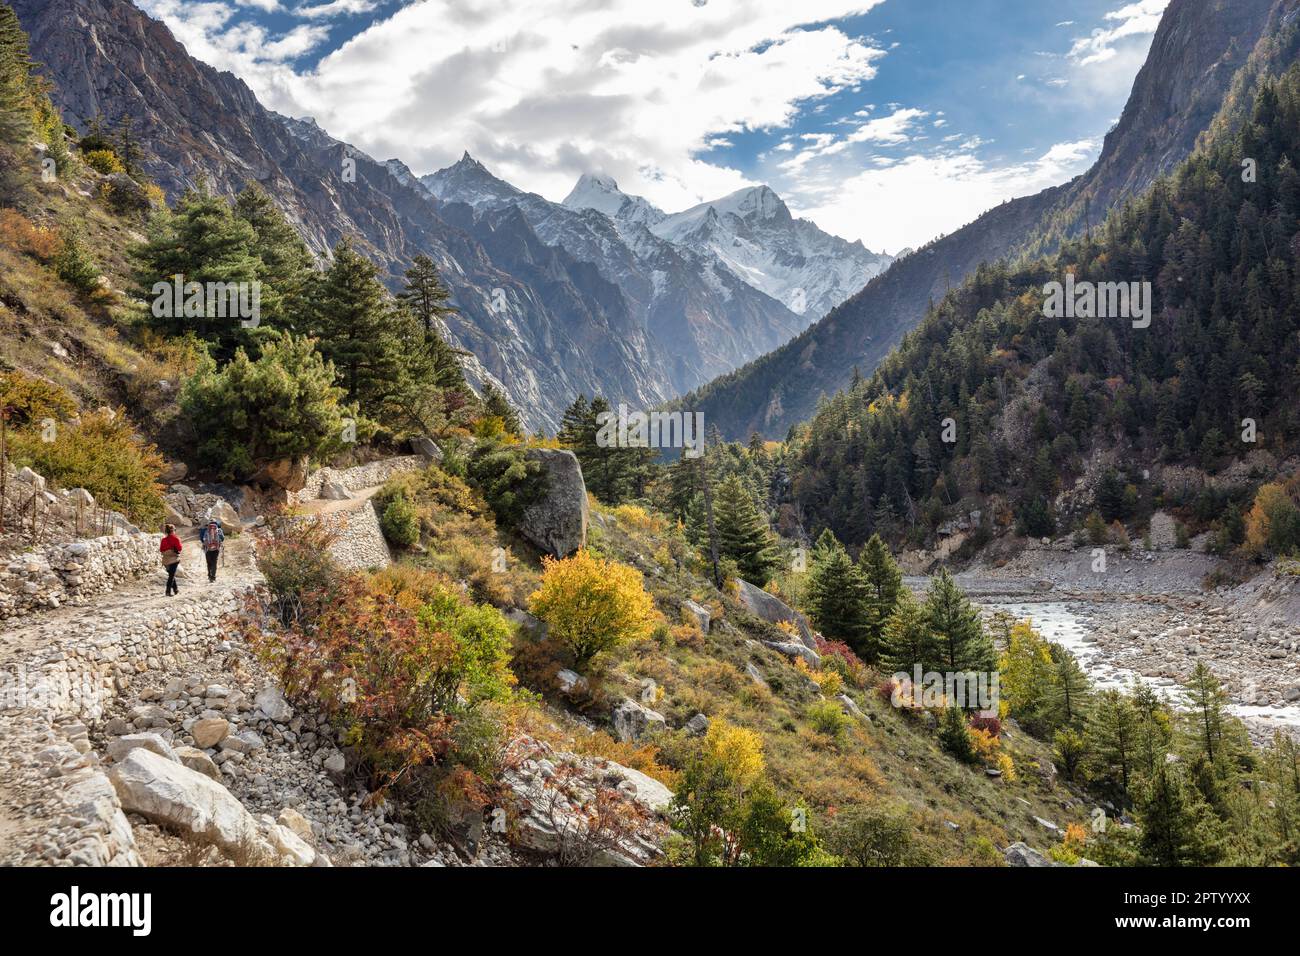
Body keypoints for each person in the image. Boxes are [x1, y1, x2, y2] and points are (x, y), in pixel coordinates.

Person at [160, 523, 183, 596]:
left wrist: (167, 550)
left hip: (166, 560)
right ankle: (168, 591)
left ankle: (176, 590)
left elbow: (161, 549)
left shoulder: (163, 540)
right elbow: (180, 548)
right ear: (173, 530)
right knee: (171, 576)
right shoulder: (176, 538)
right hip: (174, 559)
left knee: (171, 575)